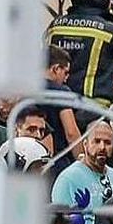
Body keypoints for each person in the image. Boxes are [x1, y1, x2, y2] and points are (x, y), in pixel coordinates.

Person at [51, 121, 113, 224]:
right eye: (96, 141)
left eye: (107, 142)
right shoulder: (68, 178)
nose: (102, 147)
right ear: (85, 144)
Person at [41, 46, 85, 175]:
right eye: (65, 72)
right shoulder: (61, 92)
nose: (66, 78)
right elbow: (71, 133)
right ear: (55, 68)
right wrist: (83, 165)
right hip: (58, 161)